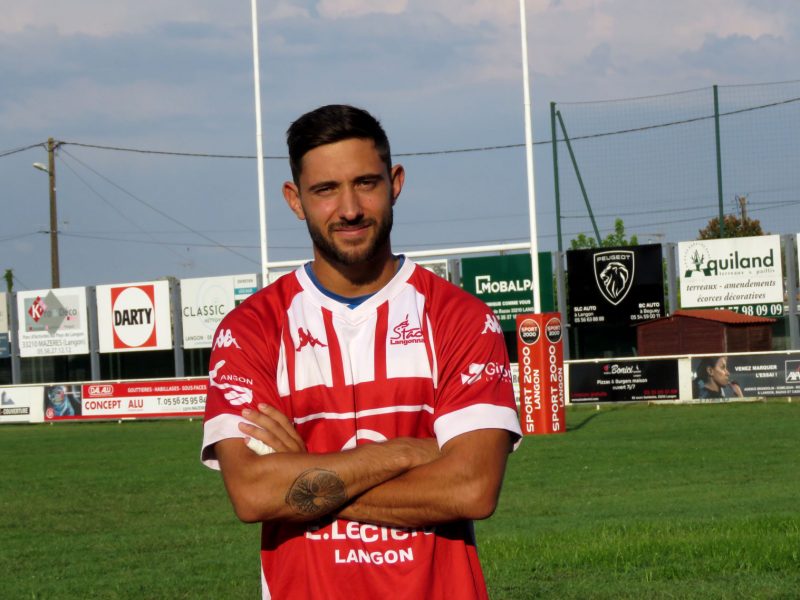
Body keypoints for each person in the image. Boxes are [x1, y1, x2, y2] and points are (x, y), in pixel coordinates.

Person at [201, 104, 522, 600]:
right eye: (325, 190)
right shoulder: (250, 330)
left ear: (395, 182)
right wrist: (404, 452)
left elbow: (470, 489)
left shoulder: (460, 318)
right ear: (295, 199)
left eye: (365, 183)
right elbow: (253, 493)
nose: (349, 209)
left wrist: (306, 471)